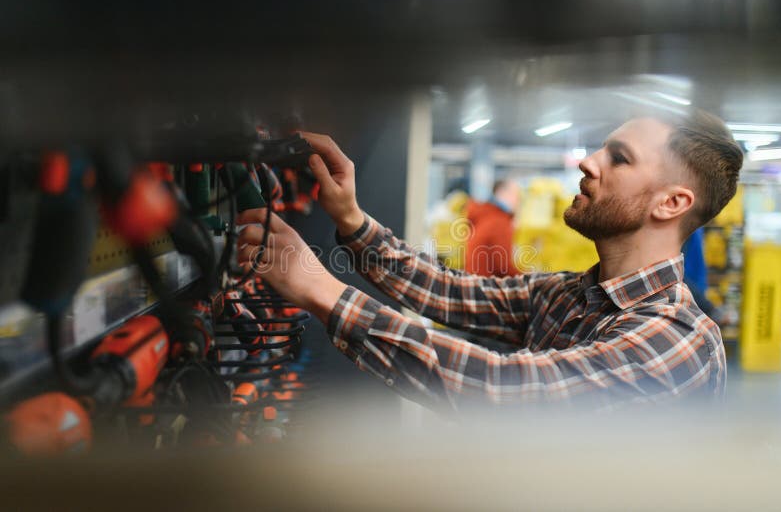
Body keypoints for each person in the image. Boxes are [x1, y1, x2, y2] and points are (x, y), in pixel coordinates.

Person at [236, 110, 743, 410]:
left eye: (619, 157)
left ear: (671, 203)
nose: (588, 162)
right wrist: (350, 219)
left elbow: (500, 391)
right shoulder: (571, 295)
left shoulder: (675, 339)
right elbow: (450, 290)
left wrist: (321, 290)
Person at [464, 179, 521, 277]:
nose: (518, 200)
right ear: (501, 193)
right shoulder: (499, 221)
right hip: (486, 287)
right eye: (514, 194)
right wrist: (530, 279)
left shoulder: (485, 215)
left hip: (473, 282)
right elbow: (503, 267)